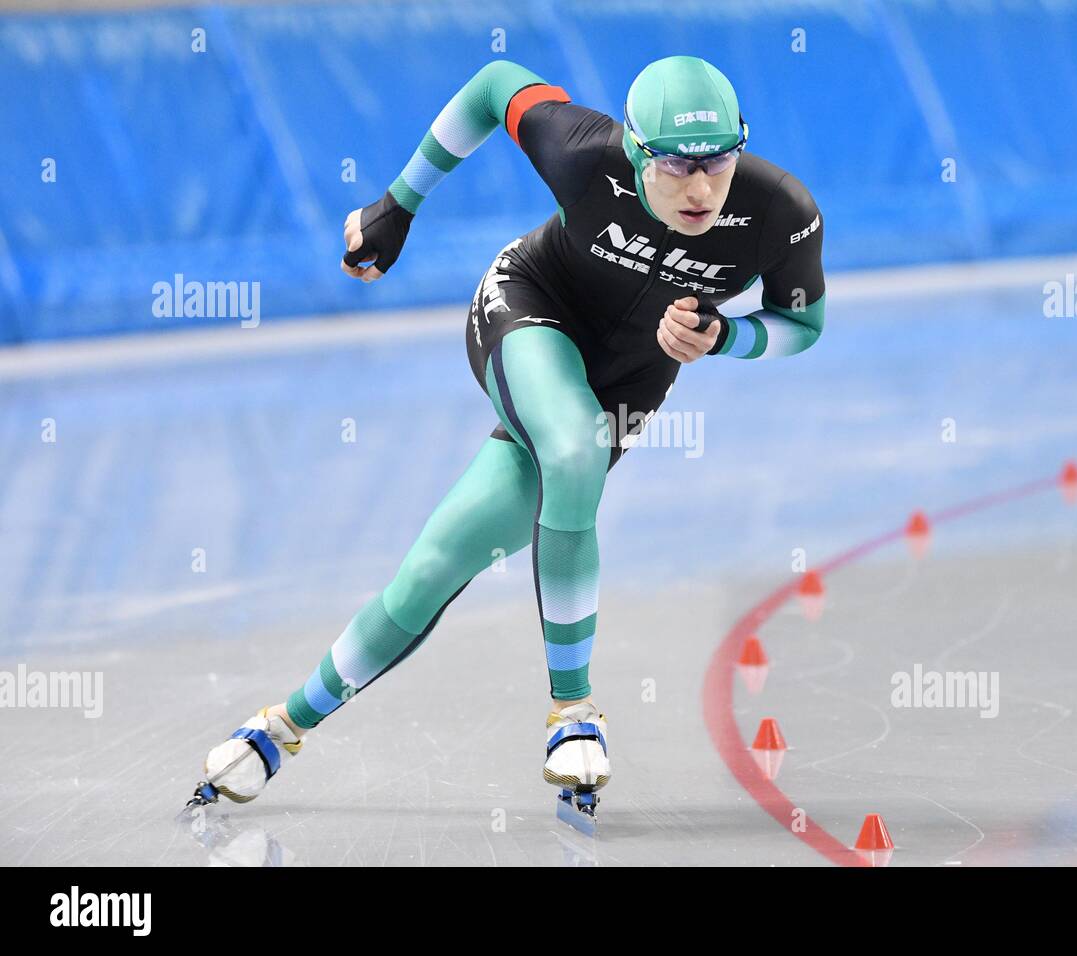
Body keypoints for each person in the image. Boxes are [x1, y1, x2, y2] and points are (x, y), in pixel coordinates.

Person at [190, 55, 826, 825]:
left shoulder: (780, 210)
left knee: (437, 563)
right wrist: (398, 205)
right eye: (677, 163)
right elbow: (496, 85)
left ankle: (280, 726)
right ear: (635, 150)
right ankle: (573, 710)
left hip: (625, 385)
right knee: (572, 450)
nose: (700, 187)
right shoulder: (585, 153)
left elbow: (803, 326)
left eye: (719, 160)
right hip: (530, 308)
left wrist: (726, 337)